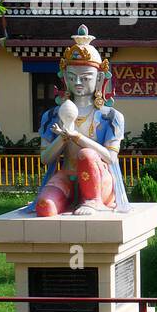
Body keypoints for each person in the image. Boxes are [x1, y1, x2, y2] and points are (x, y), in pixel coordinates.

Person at [31, 26, 129, 216]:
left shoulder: (111, 116)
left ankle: (93, 200)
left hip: (99, 179)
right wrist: (64, 137)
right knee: (45, 208)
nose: (77, 83)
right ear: (65, 78)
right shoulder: (52, 115)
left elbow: (110, 158)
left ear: (99, 78)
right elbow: (45, 159)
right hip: (67, 175)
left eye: (85, 78)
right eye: (72, 77)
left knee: (87, 154)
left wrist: (77, 137)